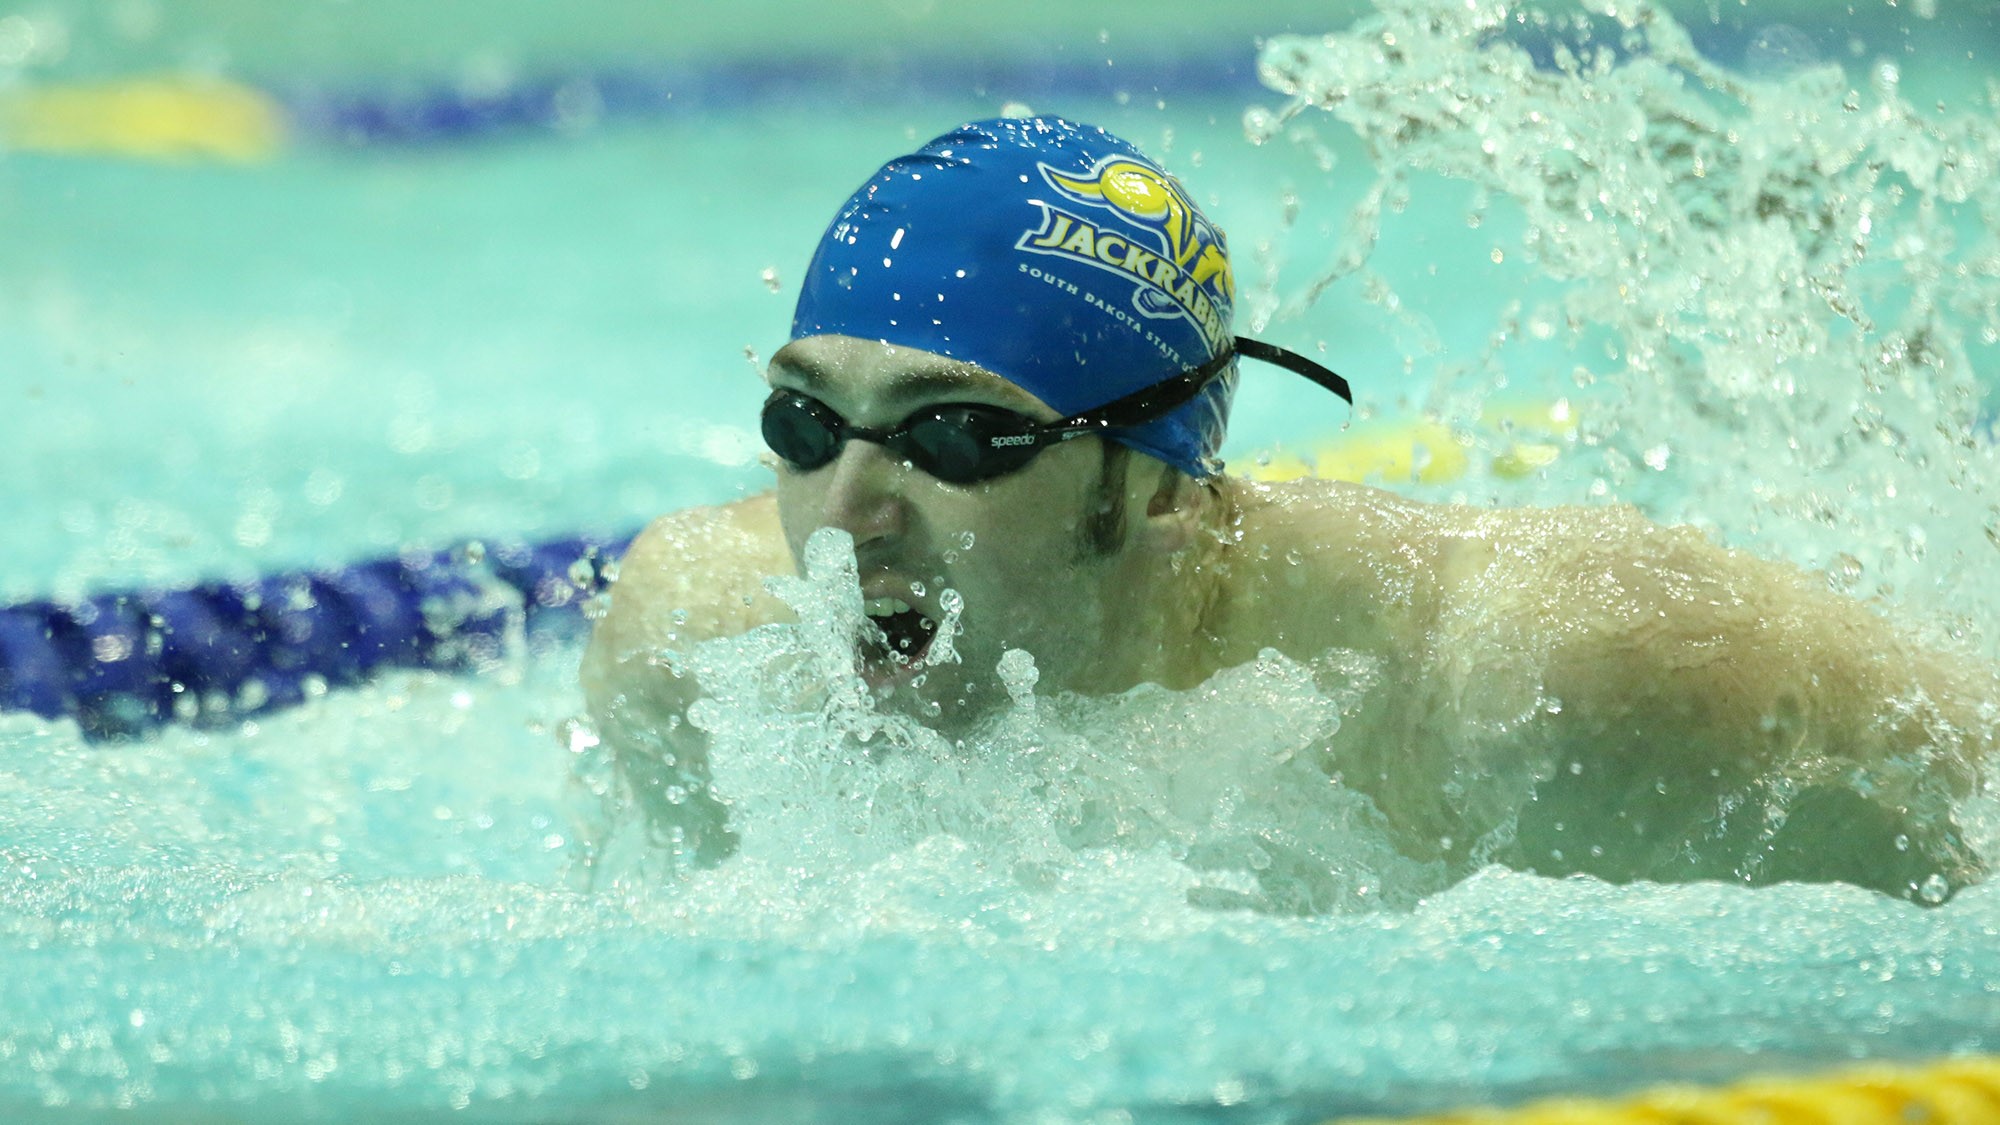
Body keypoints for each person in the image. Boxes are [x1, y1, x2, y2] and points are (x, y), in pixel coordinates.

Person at [581, 115, 1990, 904]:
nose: (848, 508)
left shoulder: (1541, 686)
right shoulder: (694, 658)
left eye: (959, 435)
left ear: (1159, 489)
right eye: (804, 421)